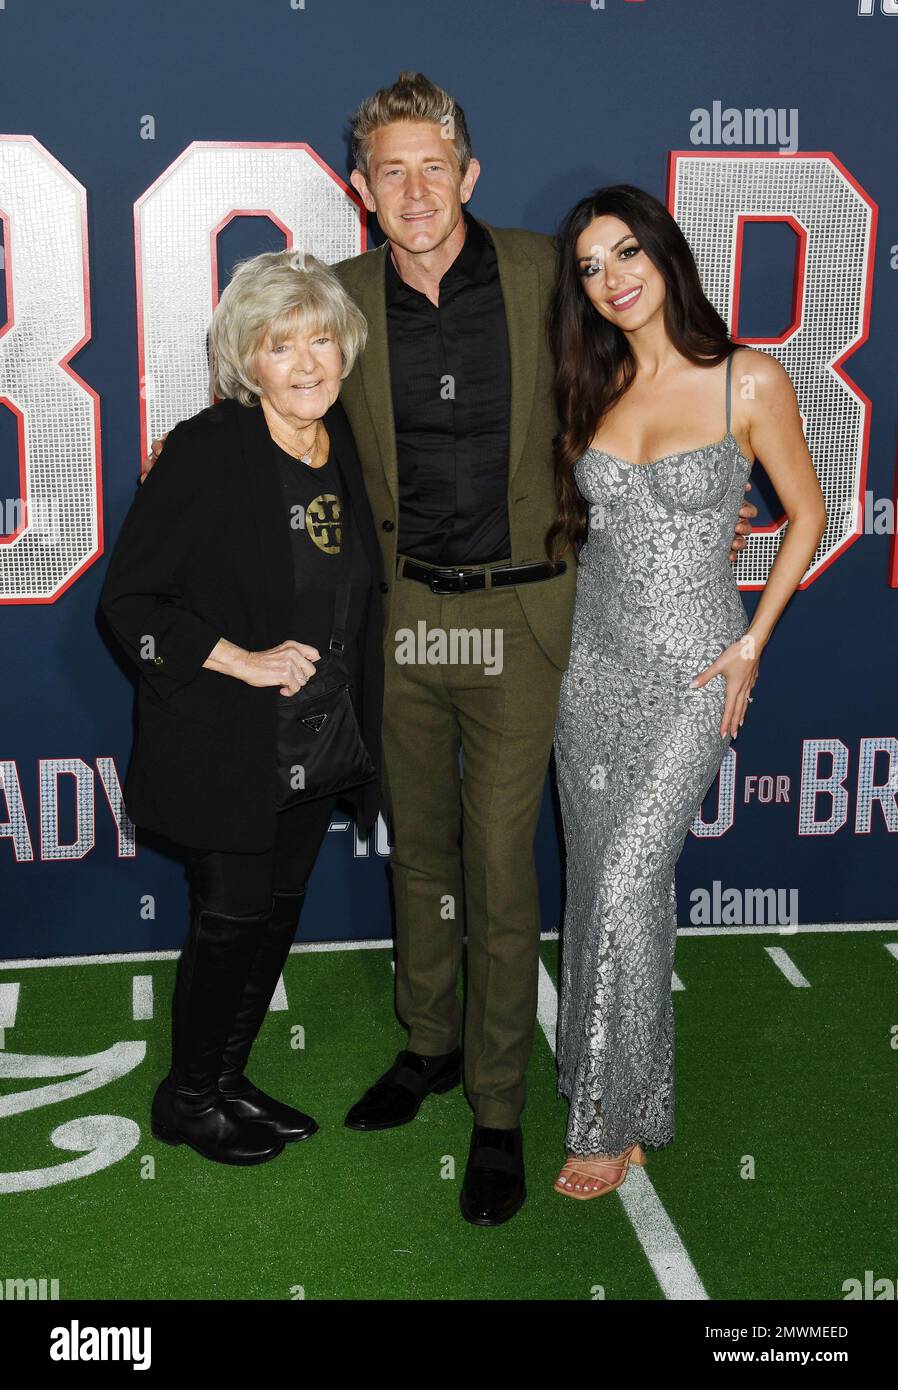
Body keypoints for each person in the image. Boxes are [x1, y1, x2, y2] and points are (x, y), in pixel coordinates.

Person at [143, 72, 757, 1223]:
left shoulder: (544, 272)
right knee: (416, 852)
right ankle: (427, 1044)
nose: (416, 191)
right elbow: (278, 389)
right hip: (399, 619)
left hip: (522, 618)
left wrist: (706, 479)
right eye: (393, 171)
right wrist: (192, 446)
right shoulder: (341, 297)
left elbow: (653, 359)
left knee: (498, 864)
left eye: (436, 167)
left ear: (469, 174)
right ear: (361, 187)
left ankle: (497, 1104)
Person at [546, 185, 827, 1199]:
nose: (612, 279)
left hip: (694, 669)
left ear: (665, 256)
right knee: (598, 883)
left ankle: (604, 1122)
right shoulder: (589, 385)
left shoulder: (748, 379)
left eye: (627, 253)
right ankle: (621, 1090)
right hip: (588, 670)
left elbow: (808, 513)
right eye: (590, 267)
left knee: (629, 875)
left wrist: (751, 645)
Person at [100, 249, 384, 1166]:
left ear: (345, 347)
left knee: (276, 910)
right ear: (246, 361)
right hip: (227, 739)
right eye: (279, 345)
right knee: (230, 918)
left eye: (321, 340)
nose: (306, 363)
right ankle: (187, 1101)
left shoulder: (352, 446)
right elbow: (129, 604)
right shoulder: (209, 450)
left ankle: (226, 1077)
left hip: (319, 737)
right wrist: (240, 660)